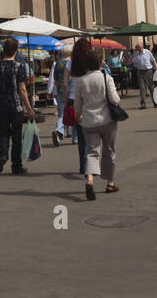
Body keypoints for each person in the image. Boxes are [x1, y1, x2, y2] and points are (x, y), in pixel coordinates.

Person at [74, 46, 122, 200]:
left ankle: (90, 180)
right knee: (109, 151)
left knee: (92, 152)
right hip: (107, 120)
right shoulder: (106, 78)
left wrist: (78, 116)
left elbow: (77, 106)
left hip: (88, 122)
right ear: (101, 63)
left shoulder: (81, 81)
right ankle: (110, 182)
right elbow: (115, 99)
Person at [0, 36, 34, 175]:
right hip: (16, 106)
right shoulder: (20, 66)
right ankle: (16, 165)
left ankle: (3, 155)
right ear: (16, 50)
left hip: (2, 105)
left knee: (3, 133)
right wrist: (29, 108)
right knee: (16, 135)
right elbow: (22, 89)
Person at [64, 38, 92, 173]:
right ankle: (91, 165)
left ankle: (83, 165)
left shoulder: (70, 63)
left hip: (74, 99)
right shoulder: (90, 63)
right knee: (91, 134)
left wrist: (65, 99)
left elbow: (65, 84)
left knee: (81, 136)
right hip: (88, 100)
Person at [48, 52, 66, 146]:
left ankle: (59, 131)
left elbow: (52, 79)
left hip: (59, 91)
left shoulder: (56, 64)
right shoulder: (71, 63)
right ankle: (74, 137)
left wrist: (49, 91)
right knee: (72, 112)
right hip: (70, 92)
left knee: (61, 114)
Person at [131, 42, 156, 109]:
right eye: (136, 47)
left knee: (151, 87)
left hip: (148, 71)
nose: (137, 49)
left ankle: (155, 101)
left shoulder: (147, 52)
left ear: (142, 47)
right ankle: (143, 103)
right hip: (140, 72)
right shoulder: (135, 54)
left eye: (138, 47)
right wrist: (133, 53)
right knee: (142, 88)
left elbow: (153, 61)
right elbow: (130, 62)